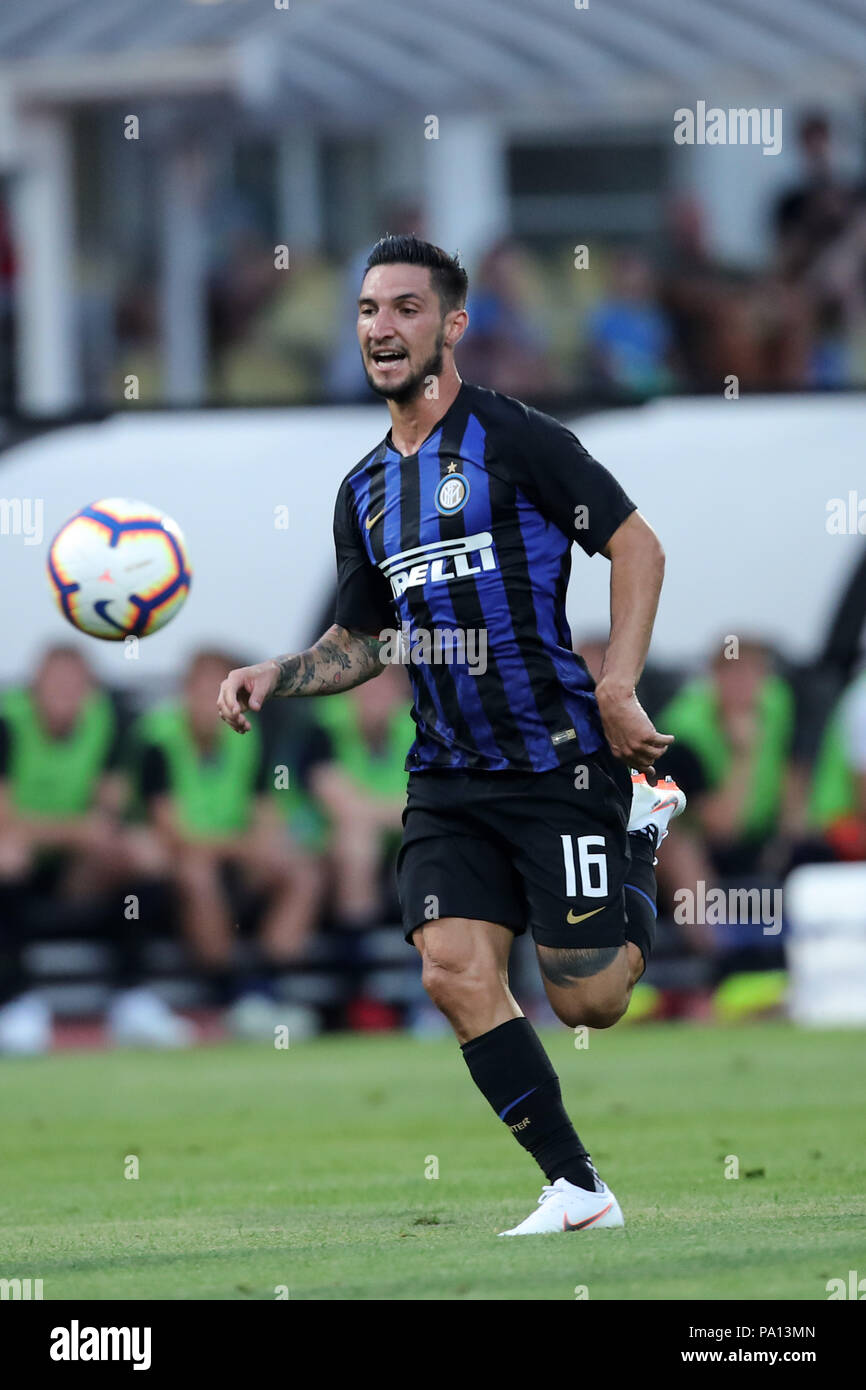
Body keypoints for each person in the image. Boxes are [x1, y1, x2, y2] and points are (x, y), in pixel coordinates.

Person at [217, 234, 685, 1235]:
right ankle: (575, 1187)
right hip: (445, 777)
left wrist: (618, 685)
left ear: (451, 325)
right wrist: (278, 672)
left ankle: (638, 830)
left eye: (405, 309)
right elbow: (363, 640)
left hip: (554, 756)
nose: (381, 329)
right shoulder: (361, 491)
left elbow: (635, 545)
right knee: (451, 970)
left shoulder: (516, 439)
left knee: (589, 1000)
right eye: (366, 311)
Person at [0, 646, 189, 1052]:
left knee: (144, 854)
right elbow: (4, 820)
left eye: (75, 684)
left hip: (75, 870)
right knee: (7, 855)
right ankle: (15, 1000)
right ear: (35, 685)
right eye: (56, 682)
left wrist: (84, 833)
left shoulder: (111, 721)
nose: (66, 692)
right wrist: (72, 830)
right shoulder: (7, 722)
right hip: (22, 862)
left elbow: (107, 814)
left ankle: (132, 996)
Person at [136, 650, 321, 1038]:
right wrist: (241, 847)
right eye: (201, 689)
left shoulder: (249, 739)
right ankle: (228, 991)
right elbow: (174, 835)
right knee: (196, 871)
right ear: (184, 692)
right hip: (182, 862)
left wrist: (257, 847)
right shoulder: (157, 741)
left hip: (232, 856)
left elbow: (266, 815)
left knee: (302, 872)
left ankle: (267, 986)